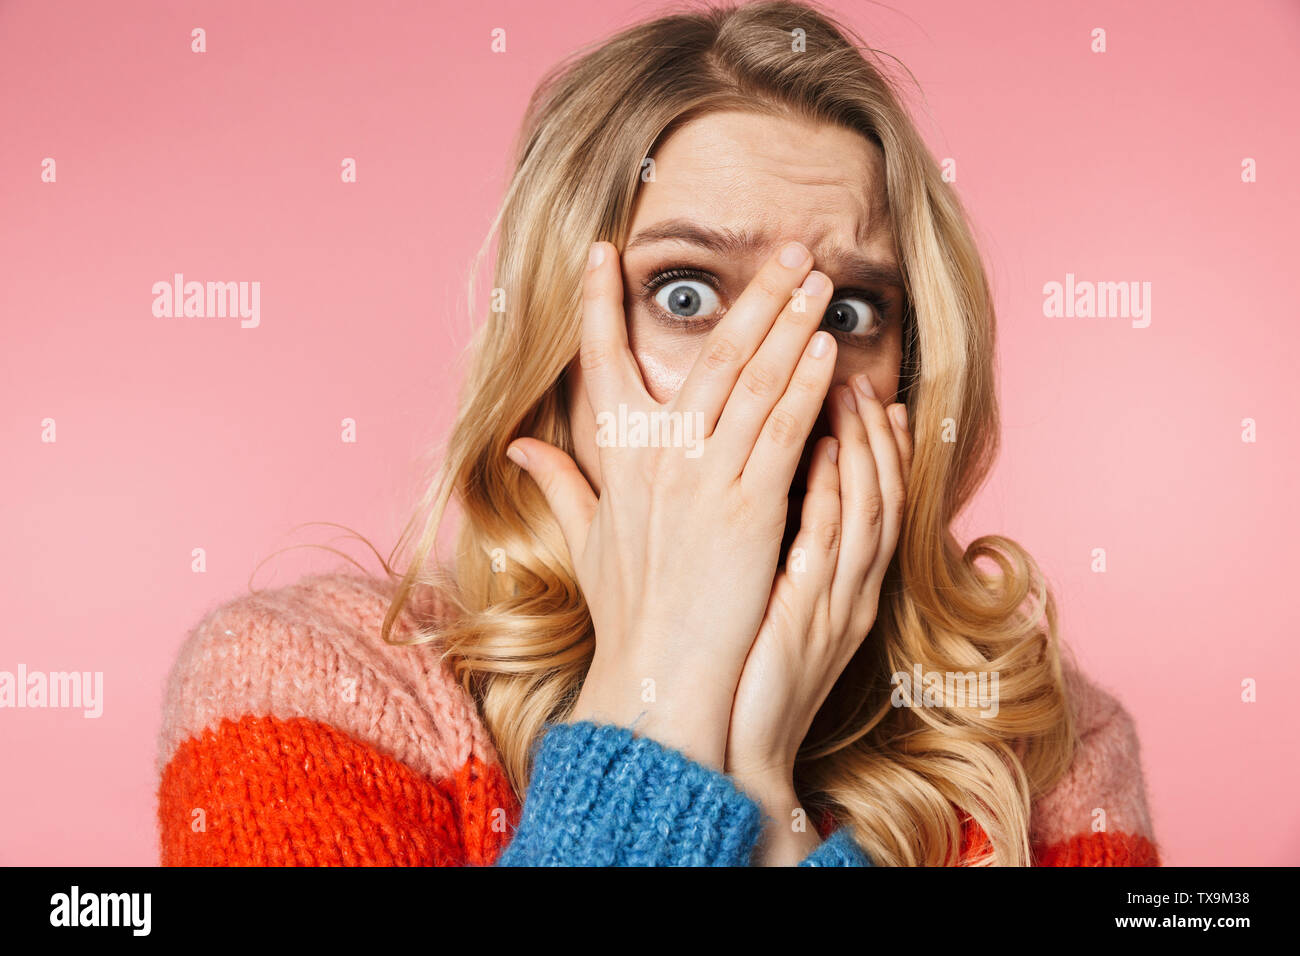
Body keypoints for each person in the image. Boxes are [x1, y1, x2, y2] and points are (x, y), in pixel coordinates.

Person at [156, 0, 1160, 866]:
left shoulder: (1036, 739)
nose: (781, 372)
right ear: (558, 344)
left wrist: (765, 796)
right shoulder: (310, 679)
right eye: (686, 292)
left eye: (850, 311)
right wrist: (666, 699)